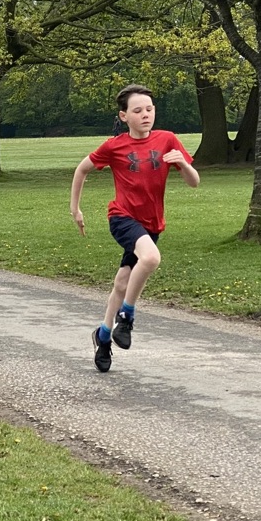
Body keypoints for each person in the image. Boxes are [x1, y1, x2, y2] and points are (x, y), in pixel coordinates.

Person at [69, 84, 200, 374]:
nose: (145, 115)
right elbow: (81, 170)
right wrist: (75, 209)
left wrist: (183, 164)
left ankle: (103, 336)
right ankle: (126, 317)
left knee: (122, 283)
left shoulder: (167, 140)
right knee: (150, 259)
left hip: (151, 223)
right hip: (122, 217)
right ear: (124, 116)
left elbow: (194, 182)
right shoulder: (114, 146)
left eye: (149, 109)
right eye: (138, 110)